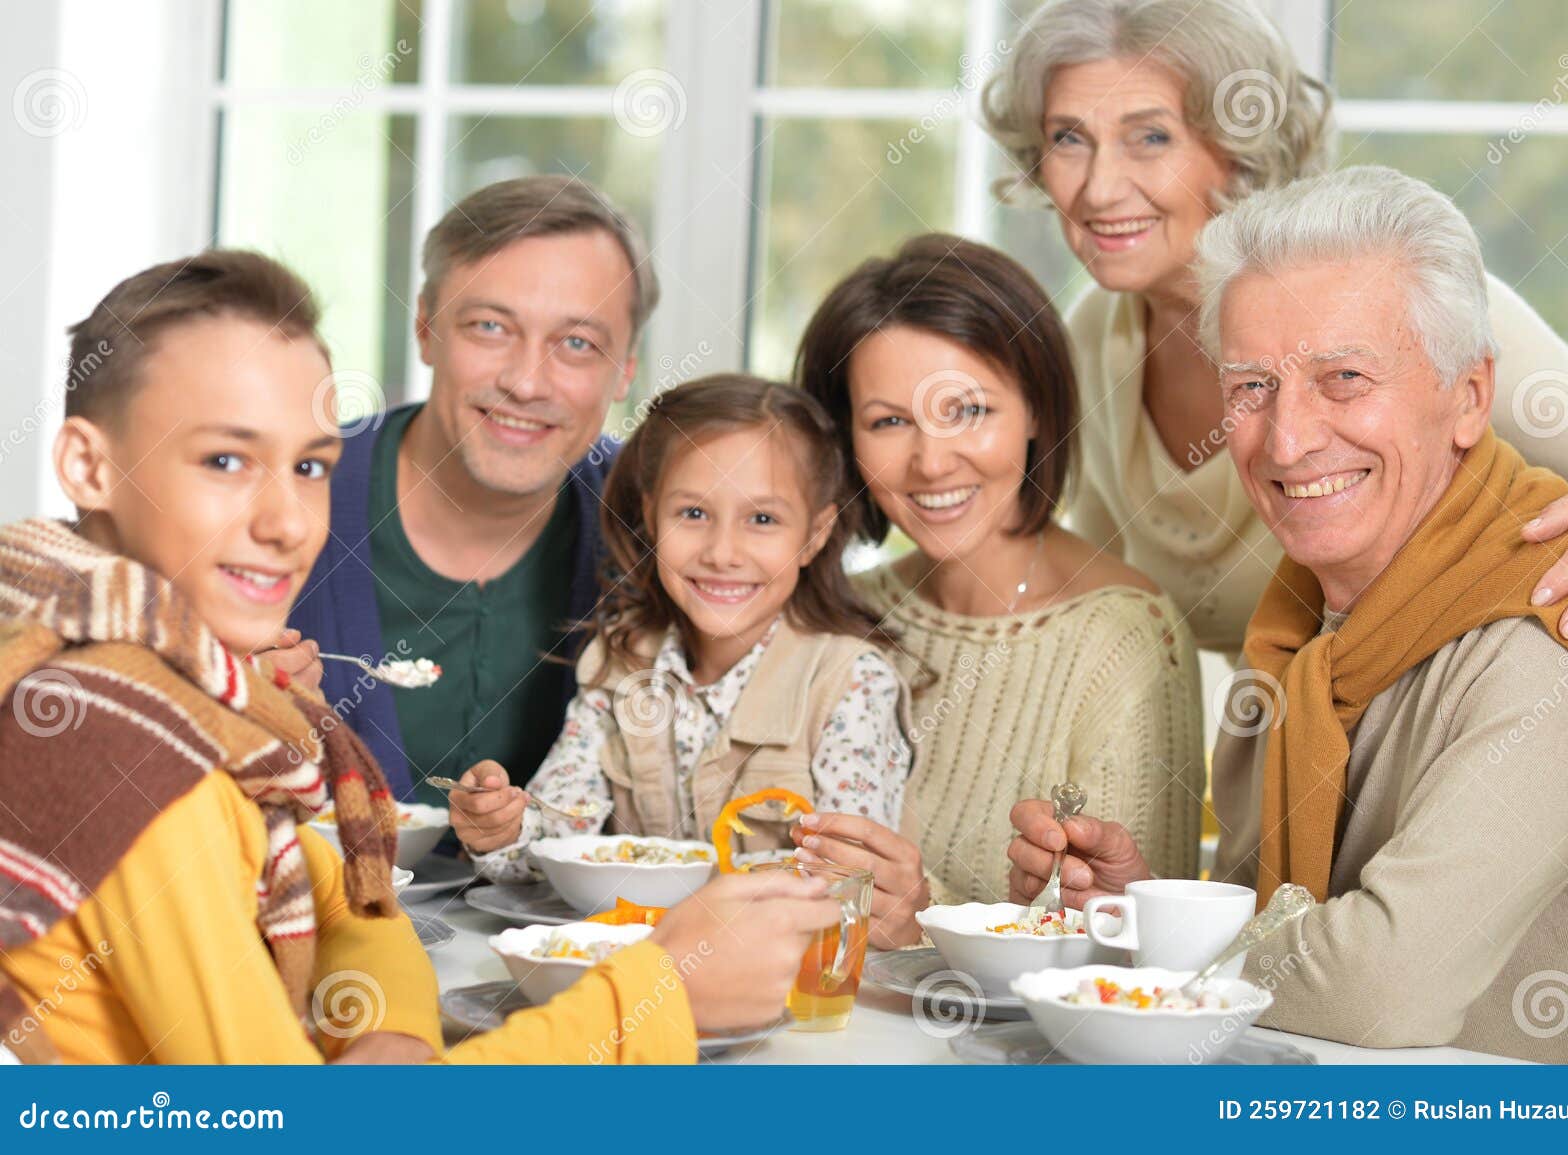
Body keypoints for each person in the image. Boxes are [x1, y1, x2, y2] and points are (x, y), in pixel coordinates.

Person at [0, 251, 840, 1064]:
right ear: (87, 465)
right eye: (226, 460)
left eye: (309, 465)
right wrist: (660, 998)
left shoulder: (180, 692)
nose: (288, 522)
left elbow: (351, 899)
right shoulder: (122, 746)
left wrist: (388, 1031)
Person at [1007, 167, 1568, 1062]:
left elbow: (1375, 990)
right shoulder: (1292, 631)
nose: (1286, 440)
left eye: (1345, 378)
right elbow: (1289, 949)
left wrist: (1172, 946)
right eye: (1251, 387)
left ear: (1470, 396)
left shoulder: (1547, 635)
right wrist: (1143, 911)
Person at [981, 0, 1568, 655]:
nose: (1099, 189)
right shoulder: (1091, 341)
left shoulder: (1395, 293)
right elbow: (1116, 618)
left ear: (1242, 149)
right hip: (1279, 743)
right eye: (1068, 138)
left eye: (1151, 136)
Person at [795, 233, 1205, 916]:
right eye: (890, 420)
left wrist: (917, 915)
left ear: (1037, 410)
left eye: (970, 410)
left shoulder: (1126, 641)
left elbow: (1128, 955)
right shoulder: (838, 611)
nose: (931, 462)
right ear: (846, 439)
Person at [449, 377, 915, 924]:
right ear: (651, 516)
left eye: (762, 520)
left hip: (778, 987)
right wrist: (499, 830)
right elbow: (549, 844)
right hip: (641, 976)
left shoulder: (851, 683)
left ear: (814, 535)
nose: (722, 552)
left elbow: (851, 895)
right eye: (693, 513)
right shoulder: (619, 664)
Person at [286, 175, 654, 807]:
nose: (527, 382)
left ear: (624, 371)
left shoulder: (661, 528)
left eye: (577, 343)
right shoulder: (286, 496)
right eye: (490, 326)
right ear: (426, 327)